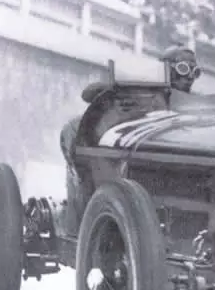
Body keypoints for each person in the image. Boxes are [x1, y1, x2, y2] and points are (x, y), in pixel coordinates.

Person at [58, 45, 202, 235]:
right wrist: (113, 90)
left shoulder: (195, 104)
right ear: (166, 69)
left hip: (163, 156)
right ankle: (86, 214)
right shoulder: (145, 90)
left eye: (195, 71)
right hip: (124, 152)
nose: (190, 76)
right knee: (74, 130)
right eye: (183, 68)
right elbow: (88, 93)